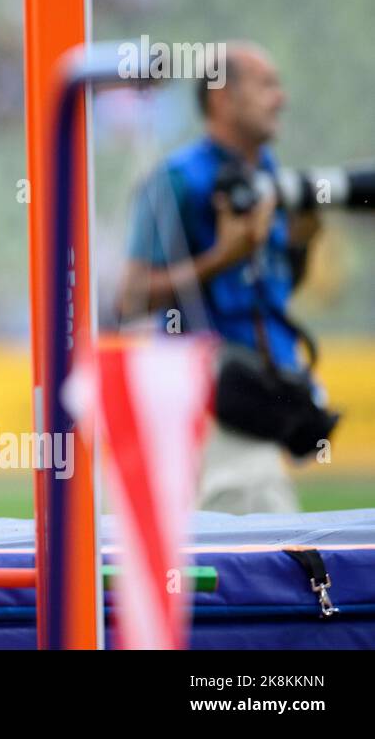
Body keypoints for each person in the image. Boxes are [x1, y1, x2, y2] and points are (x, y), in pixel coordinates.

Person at [117, 41, 322, 514]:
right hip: (209, 401)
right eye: (266, 85)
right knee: (264, 554)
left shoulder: (270, 176)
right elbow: (130, 298)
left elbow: (274, 287)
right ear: (221, 98)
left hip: (262, 394)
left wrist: (301, 241)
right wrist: (222, 256)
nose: (281, 98)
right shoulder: (177, 179)